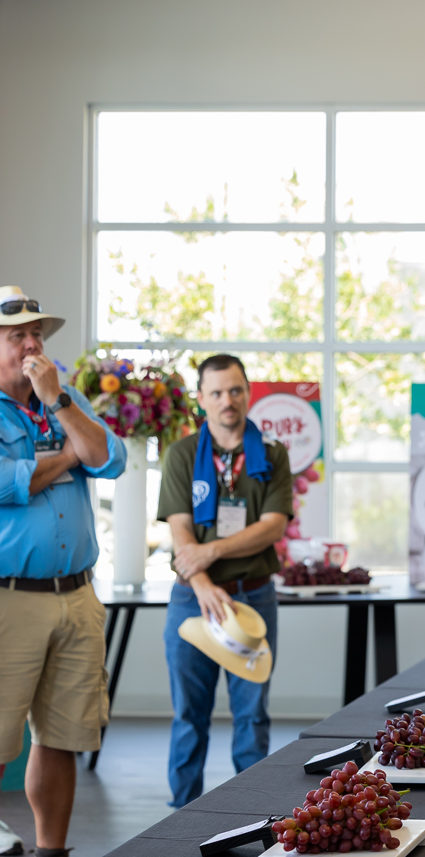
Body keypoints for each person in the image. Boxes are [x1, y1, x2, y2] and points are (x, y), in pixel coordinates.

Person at [0, 286, 127, 856]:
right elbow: (11, 483)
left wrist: (62, 409)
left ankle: (53, 851)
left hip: (77, 596)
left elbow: (110, 458)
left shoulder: (64, 398)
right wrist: (71, 454)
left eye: (37, 335)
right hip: (10, 599)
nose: (32, 346)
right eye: (16, 337)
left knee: (63, 736)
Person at [157, 354, 292, 807]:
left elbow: (273, 525)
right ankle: (180, 816)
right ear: (201, 399)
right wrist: (202, 584)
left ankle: (252, 812)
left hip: (252, 598)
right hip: (192, 599)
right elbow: (180, 531)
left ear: (248, 392)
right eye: (215, 392)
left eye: (234, 390)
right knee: (188, 716)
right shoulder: (180, 454)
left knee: (252, 715)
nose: (226, 401)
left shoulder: (272, 454)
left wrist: (211, 551)